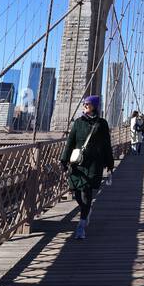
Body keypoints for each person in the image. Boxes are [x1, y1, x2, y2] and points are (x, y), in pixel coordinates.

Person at [61, 95, 114, 239]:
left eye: (88, 104)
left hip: (94, 163)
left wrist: (110, 163)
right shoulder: (78, 122)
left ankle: (81, 225)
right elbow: (70, 142)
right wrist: (64, 160)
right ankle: (86, 209)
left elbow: (106, 145)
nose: (85, 106)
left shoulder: (102, 123)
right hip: (78, 163)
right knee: (77, 192)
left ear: (94, 106)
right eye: (84, 104)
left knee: (86, 192)